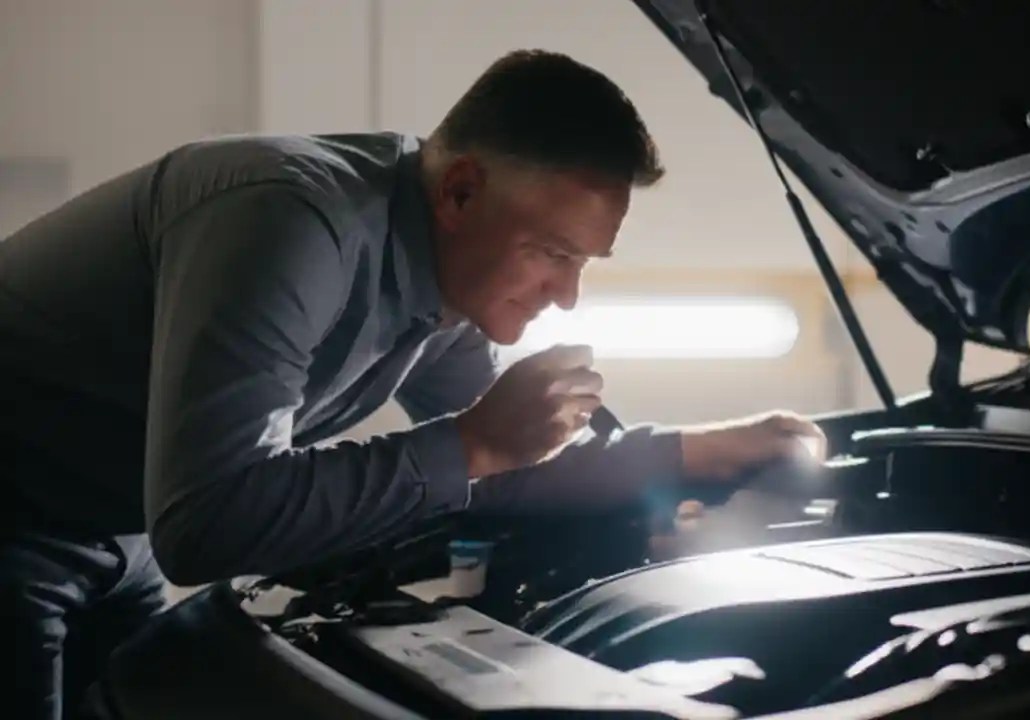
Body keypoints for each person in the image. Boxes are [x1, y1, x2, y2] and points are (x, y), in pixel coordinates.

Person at [0, 49, 826, 718]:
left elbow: (503, 467)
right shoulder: (288, 222)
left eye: (584, 264)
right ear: (461, 190)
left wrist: (691, 451)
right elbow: (207, 523)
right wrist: (469, 444)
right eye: (554, 253)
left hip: (112, 531)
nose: (566, 295)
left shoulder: (444, 296)